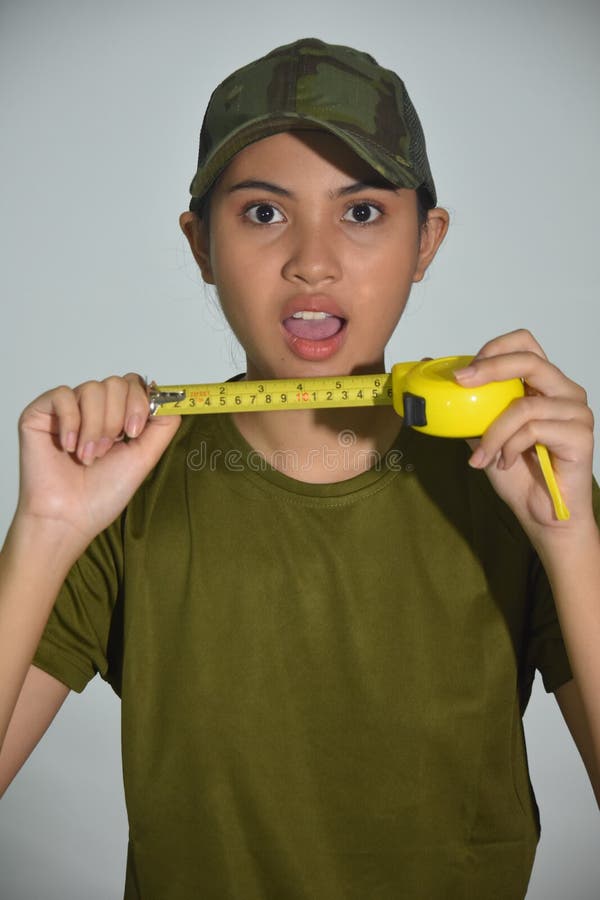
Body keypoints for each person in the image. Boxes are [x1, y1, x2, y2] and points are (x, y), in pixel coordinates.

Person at [0, 37, 599, 899]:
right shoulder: (123, 493)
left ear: (425, 242)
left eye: (361, 213)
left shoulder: (522, 477)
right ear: (200, 244)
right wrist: (48, 530)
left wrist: (571, 539)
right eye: (263, 212)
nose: (312, 261)